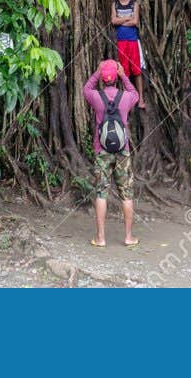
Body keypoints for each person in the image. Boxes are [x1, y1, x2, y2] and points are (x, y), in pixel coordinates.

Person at [83, 58, 139, 247]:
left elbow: (85, 89)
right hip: (123, 151)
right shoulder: (126, 98)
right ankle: (129, 237)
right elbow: (135, 93)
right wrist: (124, 75)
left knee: (101, 193)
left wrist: (97, 72)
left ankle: (100, 238)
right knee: (127, 194)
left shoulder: (96, 97)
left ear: (103, 79)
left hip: (102, 151)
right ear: (116, 78)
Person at [111, 0, 145, 110]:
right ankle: (128, 101)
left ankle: (141, 99)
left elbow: (135, 22)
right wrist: (127, 18)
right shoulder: (115, 5)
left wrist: (121, 19)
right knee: (124, 72)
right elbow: (113, 21)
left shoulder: (134, 4)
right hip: (121, 41)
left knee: (137, 71)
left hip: (132, 40)